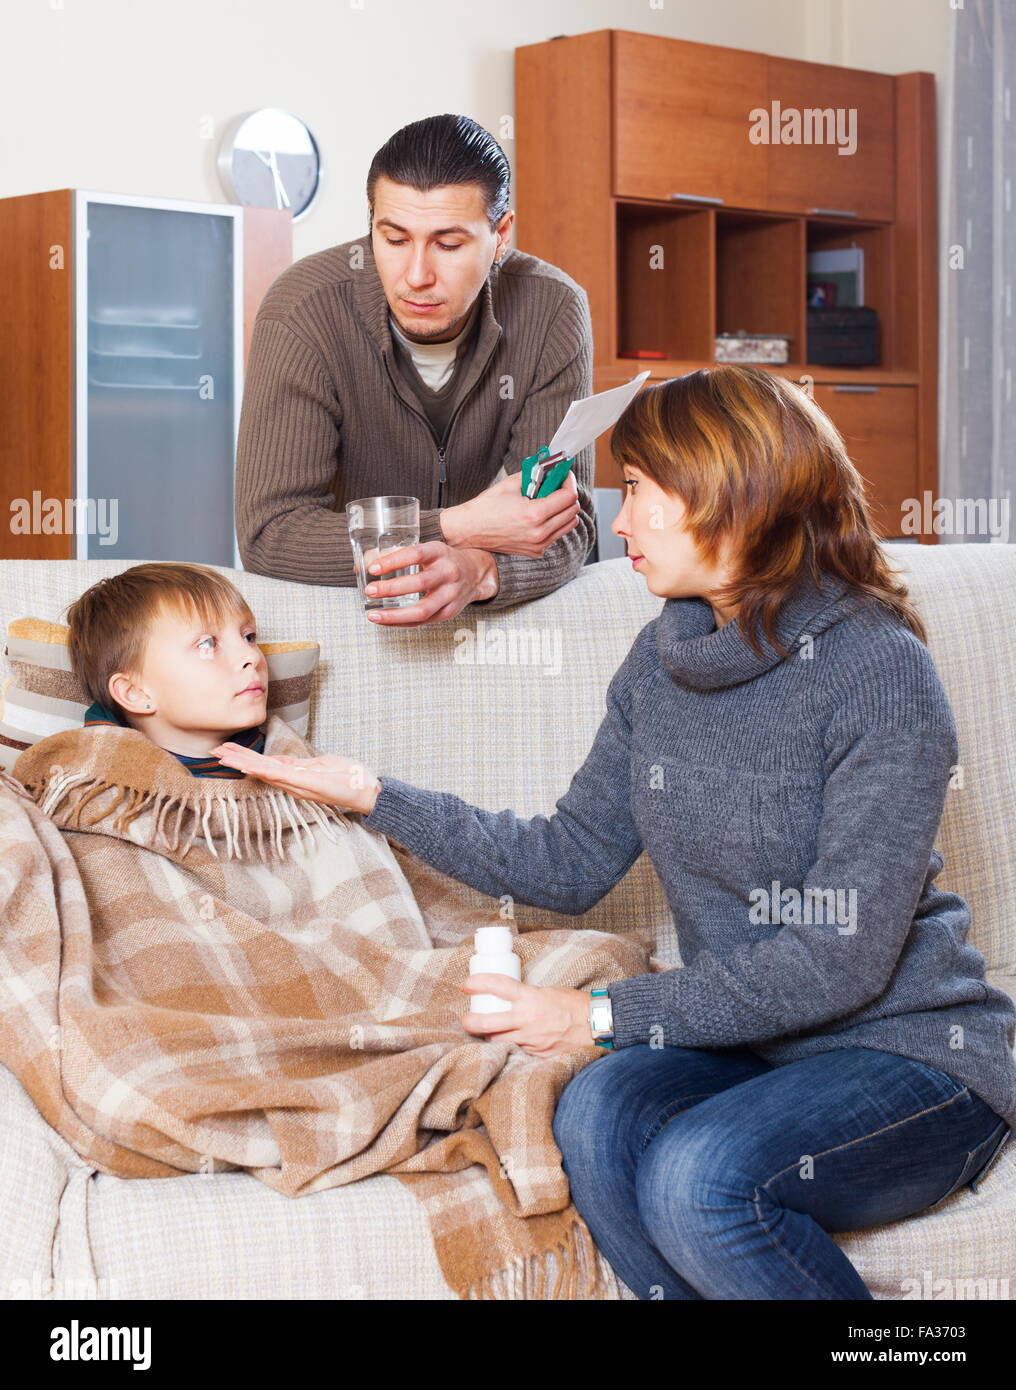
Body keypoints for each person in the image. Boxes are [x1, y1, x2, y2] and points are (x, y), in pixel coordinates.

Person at [213, 362, 1016, 1300]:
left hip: (910, 1057)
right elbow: (568, 858)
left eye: (638, 490)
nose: (619, 521)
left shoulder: (879, 670)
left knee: (700, 1176)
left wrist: (600, 1015)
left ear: (732, 487)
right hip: (754, 1050)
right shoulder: (664, 657)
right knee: (594, 1113)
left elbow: (838, 960)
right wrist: (371, 793)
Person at [235, 113, 596, 626]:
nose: (416, 276)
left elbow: (569, 520)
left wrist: (479, 569)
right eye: (395, 239)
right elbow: (270, 536)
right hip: (337, 614)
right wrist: (458, 525)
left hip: (483, 619)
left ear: (501, 236)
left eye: (448, 244)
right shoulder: (302, 310)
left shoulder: (553, 309)